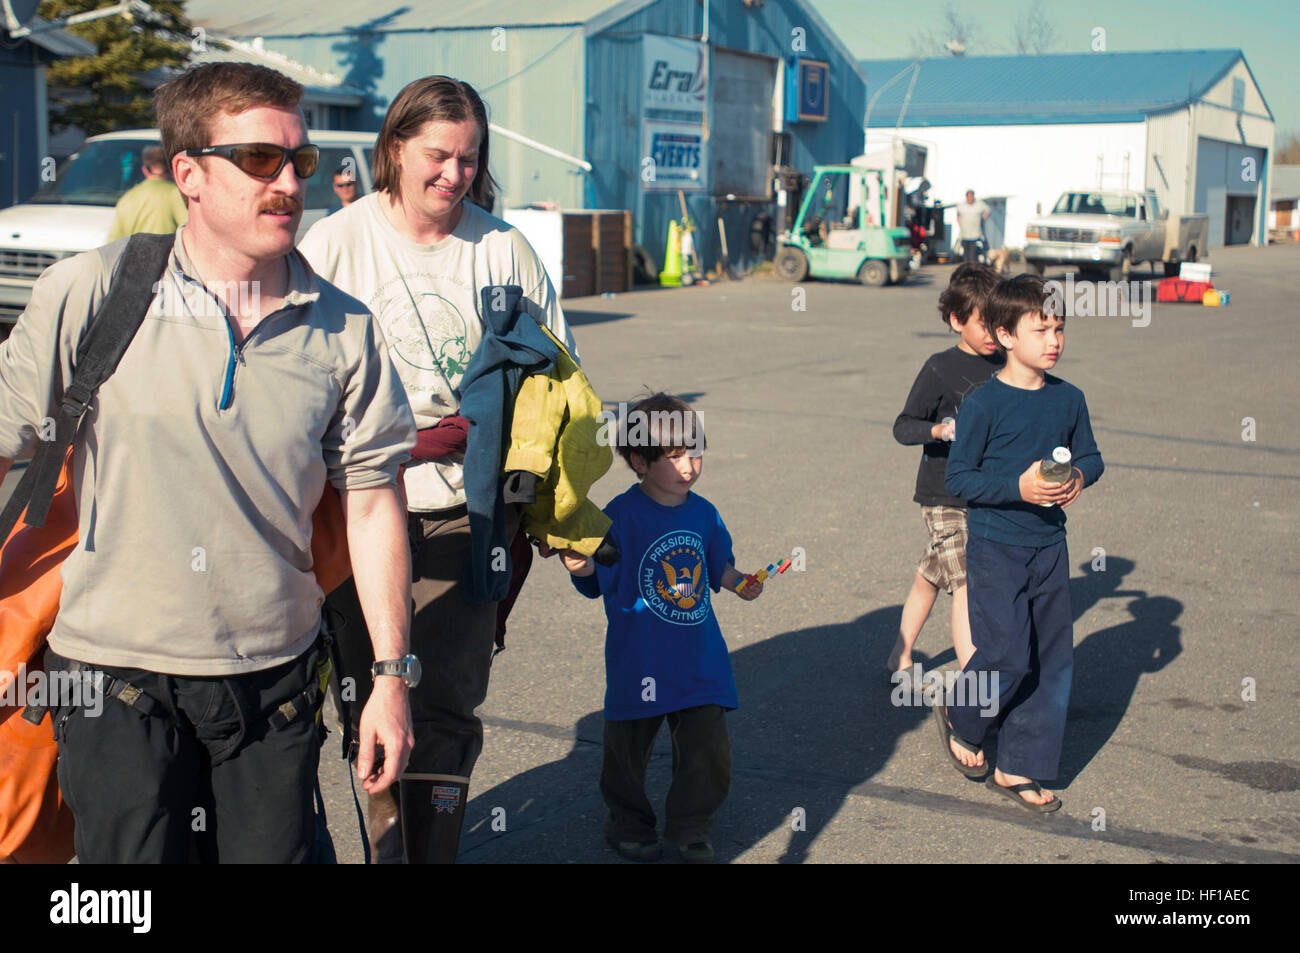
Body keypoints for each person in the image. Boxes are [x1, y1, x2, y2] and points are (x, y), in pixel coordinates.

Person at [0, 62, 418, 863]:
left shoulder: (346, 330)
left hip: (275, 686)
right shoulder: (92, 292)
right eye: (260, 159)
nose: (289, 181)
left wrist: (392, 679)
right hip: (110, 678)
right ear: (187, 172)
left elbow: (372, 506)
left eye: (297, 160)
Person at [297, 75, 576, 864]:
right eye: (437, 155)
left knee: (448, 704)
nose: (453, 174)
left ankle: (433, 855)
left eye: (468, 158)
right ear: (394, 148)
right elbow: (288, 383)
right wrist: (392, 442)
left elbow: (561, 380)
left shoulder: (502, 248)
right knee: (368, 700)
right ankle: (389, 851)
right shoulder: (334, 245)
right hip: (350, 512)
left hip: (466, 512)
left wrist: (553, 505)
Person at [556, 393, 762, 863]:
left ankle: (691, 826)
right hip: (640, 659)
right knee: (625, 756)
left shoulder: (704, 513)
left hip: (699, 658)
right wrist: (580, 566)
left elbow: (717, 566)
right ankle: (628, 822)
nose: (689, 466)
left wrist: (738, 582)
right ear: (638, 461)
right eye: (673, 457)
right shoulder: (617, 516)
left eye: (694, 452)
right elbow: (595, 579)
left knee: (708, 752)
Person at [939, 274, 1105, 812]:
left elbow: (1092, 457)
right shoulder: (982, 404)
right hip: (995, 546)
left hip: (1049, 546)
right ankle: (962, 714)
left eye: (1059, 329)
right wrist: (1018, 487)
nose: (1054, 341)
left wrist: (1078, 477)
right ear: (1006, 335)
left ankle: (1017, 767)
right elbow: (958, 479)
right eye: (1042, 330)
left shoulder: (1069, 399)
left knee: (1051, 661)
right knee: (1007, 654)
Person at [889, 263, 1002, 680]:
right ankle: (975, 686)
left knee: (930, 576)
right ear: (957, 320)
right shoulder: (939, 367)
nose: (994, 333)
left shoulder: (1008, 364)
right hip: (943, 496)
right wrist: (938, 429)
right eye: (984, 323)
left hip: (987, 495)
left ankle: (898, 656)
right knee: (968, 582)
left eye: (1000, 322)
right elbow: (903, 426)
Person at [106, 144, 189, 240]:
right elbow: (189, 231)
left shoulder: (127, 197)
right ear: (171, 168)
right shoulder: (177, 194)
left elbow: (114, 241)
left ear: (144, 170)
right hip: (167, 254)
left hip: (134, 254)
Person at [955, 189, 990, 264]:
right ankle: (967, 271)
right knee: (966, 256)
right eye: (969, 196)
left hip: (975, 235)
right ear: (966, 197)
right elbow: (957, 216)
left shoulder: (979, 204)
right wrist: (961, 225)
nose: (970, 198)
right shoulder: (961, 206)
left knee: (973, 256)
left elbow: (988, 210)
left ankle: (974, 271)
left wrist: (982, 219)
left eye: (972, 196)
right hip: (964, 235)